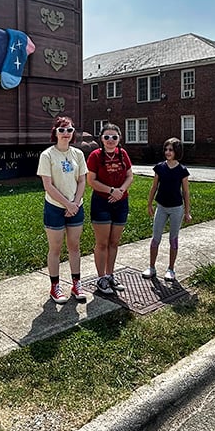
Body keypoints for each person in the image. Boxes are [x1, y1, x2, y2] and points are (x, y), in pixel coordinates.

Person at [36, 116, 88, 304]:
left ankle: (76, 284)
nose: (66, 134)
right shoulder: (47, 155)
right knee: (55, 248)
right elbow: (48, 185)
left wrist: (74, 203)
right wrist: (67, 204)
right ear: (55, 132)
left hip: (76, 206)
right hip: (55, 208)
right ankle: (55, 287)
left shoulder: (78, 155)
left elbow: (82, 180)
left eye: (69, 130)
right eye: (62, 130)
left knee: (74, 247)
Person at [86, 123, 134, 295]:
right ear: (102, 139)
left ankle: (110, 274)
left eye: (114, 137)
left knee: (114, 242)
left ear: (119, 138)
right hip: (101, 202)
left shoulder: (123, 154)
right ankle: (101, 278)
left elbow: (130, 175)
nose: (110, 140)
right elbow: (91, 180)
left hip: (121, 203)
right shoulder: (95, 156)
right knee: (102, 243)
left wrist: (120, 191)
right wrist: (111, 191)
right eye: (107, 137)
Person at [142, 137, 192, 282]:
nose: (168, 152)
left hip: (176, 208)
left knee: (173, 239)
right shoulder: (160, 167)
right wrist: (149, 204)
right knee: (155, 238)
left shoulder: (182, 170)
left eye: (171, 149)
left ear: (177, 151)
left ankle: (171, 269)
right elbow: (154, 187)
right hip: (161, 207)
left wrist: (187, 212)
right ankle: (151, 267)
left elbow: (186, 192)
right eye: (166, 149)